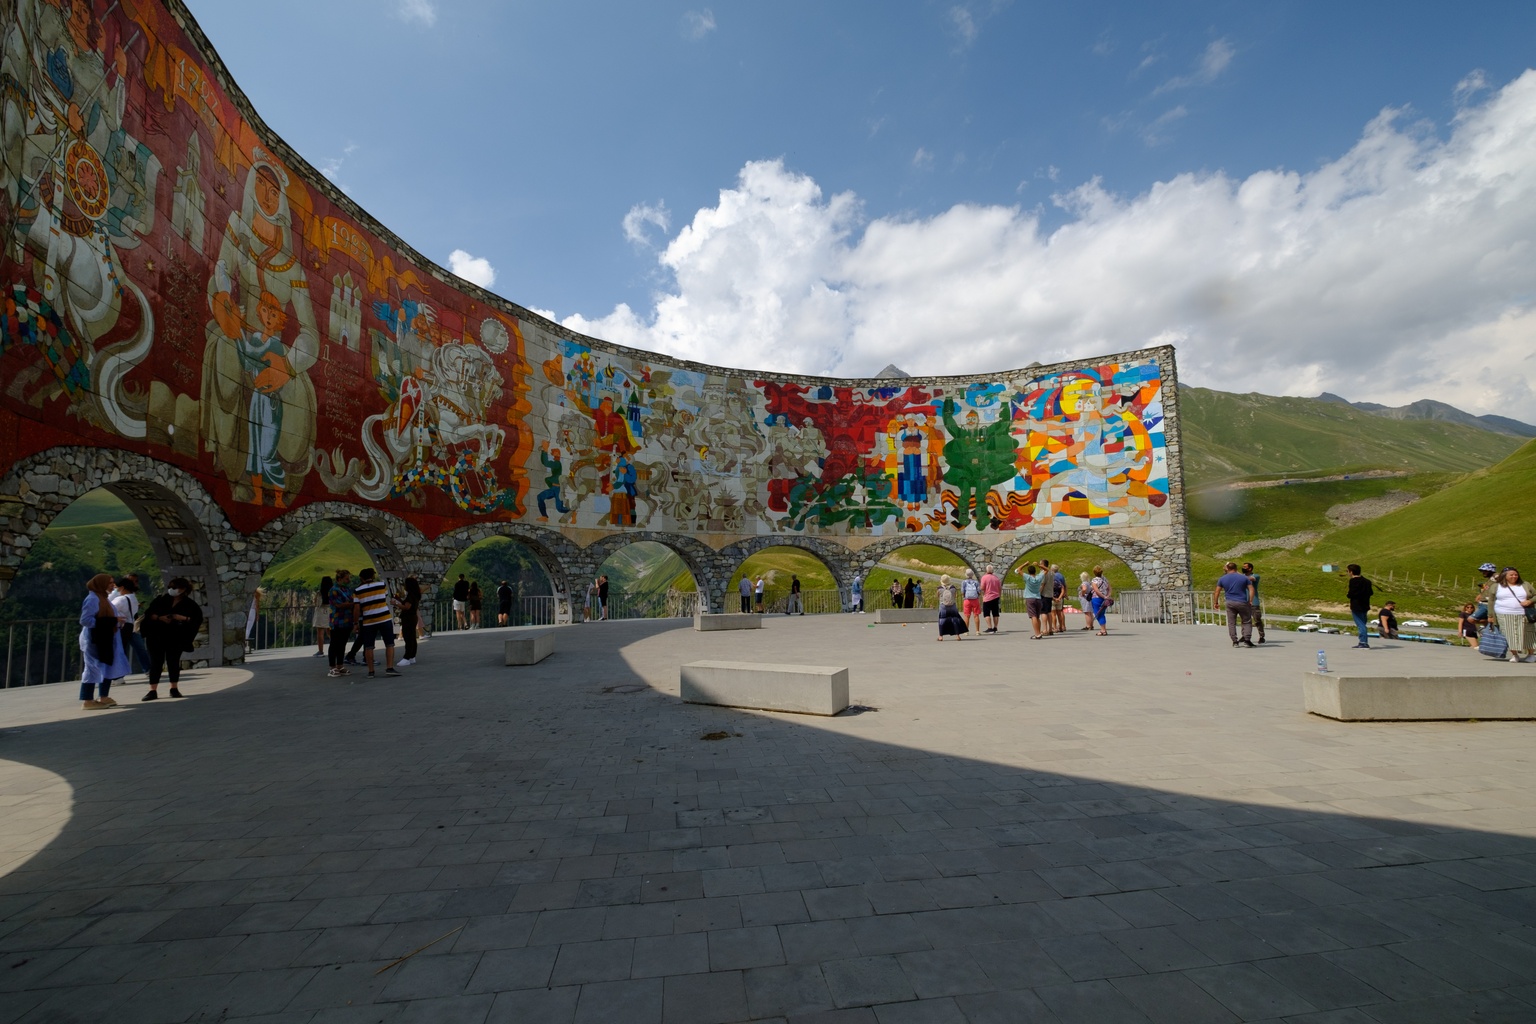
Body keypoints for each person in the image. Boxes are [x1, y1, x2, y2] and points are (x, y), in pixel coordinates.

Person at [140, 577, 203, 700]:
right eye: (170, 587)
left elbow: (196, 620)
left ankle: (174, 688)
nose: (171, 590)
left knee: (173, 662)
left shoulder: (190, 605)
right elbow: (149, 614)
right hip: (156, 635)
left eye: (174, 587)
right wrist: (160, 618)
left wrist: (182, 618)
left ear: (183, 589)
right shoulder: (161, 600)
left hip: (176, 636)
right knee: (156, 663)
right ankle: (152, 690)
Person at [78, 573, 129, 710]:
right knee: (92, 668)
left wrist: (117, 621)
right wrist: (113, 621)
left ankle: (103, 696)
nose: (113, 585)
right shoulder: (93, 599)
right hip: (94, 639)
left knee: (106, 665)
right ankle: (87, 700)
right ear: (101, 584)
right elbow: (85, 620)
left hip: (105, 637)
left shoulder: (103, 598)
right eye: (109, 583)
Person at [353, 569, 400, 678]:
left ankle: (371, 671)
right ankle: (389, 668)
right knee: (389, 644)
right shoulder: (381, 585)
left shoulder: (357, 590)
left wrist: (355, 623)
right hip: (384, 617)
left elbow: (356, 608)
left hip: (368, 621)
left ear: (361, 578)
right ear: (373, 576)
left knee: (369, 646)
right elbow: (385, 597)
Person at [1489, 567, 1535, 663]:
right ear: (1504, 576)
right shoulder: (1496, 586)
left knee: (1528, 634)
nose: (1514, 576)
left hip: (1523, 614)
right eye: (1511, 574)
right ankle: (1515, 655)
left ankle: (1531, 654)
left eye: (1516, 574)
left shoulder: (1525, 584)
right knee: (1509, 635)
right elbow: (1491, 601)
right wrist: (1490, 615)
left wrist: (1530, 601)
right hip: (1503, 614)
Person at [111, 576, 150, 674]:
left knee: (119, 651)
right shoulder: (133, 598)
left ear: (123, 588)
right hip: (130, 626)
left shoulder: (121, 599)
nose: (117, 590)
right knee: (139, 648)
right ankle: (149, 669)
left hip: (121, 627)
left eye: (118, 588)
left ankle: (118, 674)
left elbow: (108, 609)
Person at [1215, 561, 1256, 648]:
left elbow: (1217, 591)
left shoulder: (1222, 578)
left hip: (1230, 602)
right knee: (1246, 621)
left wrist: (1216, 602)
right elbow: (1251, 589)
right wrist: (1250, 600)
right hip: (1242, 601)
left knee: (1231, 622)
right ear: (1236, 568)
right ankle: (1247, 640)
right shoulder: (1244, 578)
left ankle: (1235, 641)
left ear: (1227, 568)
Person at [327, 569, 357, 676]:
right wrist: (352, 604)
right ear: (340, 579)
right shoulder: (333, 590)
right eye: (346, 578)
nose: (349, 580)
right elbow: (339, 605)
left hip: (347, 620)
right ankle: (332, 666)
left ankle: (340, 665)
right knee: (334, 643)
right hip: (337, 621)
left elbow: (350, 601)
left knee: (342, 644)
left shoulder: (346, 589)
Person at [1346, 564, 1375, 649]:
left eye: (1347, 571)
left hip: (1356, 605)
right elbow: (1371, 592)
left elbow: (1352, 593)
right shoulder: (1367, 581)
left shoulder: (1353, 581)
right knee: (1363, 623)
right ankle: (1362, 641)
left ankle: (1363, 642)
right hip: (1365, 605)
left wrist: (1348, 594)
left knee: (1361, 624)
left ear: (1351, 572)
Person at [1017, 562, 1048, 639]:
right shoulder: (1039, 577)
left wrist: (1025, 564)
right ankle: (1039, 632)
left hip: (1030, 598)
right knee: (1037, 617)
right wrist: (1039, 565)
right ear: (1035, 571)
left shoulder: (1028, 577)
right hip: (1038, 598)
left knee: (1033, 616)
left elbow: (1018, 570)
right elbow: (1047, 570)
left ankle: (1037, 634)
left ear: (1028, 572)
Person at [935, 573, 968, 640]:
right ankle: (957, 636)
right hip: (952, 606)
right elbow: (955, 596)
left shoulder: (939, 588)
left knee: (942, 620)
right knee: (955, 619)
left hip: (943, 606)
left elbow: (937, 596)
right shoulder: (953, 588)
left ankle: (941, 636)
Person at [398, 577, 421, 666]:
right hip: (413, 617)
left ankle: (407, 657)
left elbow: (407, 607)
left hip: (408, 618)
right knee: (412, 637)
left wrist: (397, 604)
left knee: (408, 637)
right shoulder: (415, 594)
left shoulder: (410, 596)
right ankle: (412, 656)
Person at [1241, 562, 1267, 644]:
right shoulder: (1241, 577)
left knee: (1257, 620)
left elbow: (1249, 579)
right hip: (1244, 601)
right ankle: (1244, 635)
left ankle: (1261, 636)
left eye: (1245, 567)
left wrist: (1235, 573)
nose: (1243, 568)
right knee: (1244, 620)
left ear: (1250, 568)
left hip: (1254, 602)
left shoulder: (1255, 576)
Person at [1472, 562, 1499, 627]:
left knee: (1471, 619)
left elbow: (1501, 579)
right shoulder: (1489, 580)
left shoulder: (1495, 576)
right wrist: (1480, 594)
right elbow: (1486, 589)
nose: (1483, 572)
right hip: (1483, 602)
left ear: (1490, 570)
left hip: (1488, 603)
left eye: (1485, 571)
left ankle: (1491, 623)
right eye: (1482, 571)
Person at [1089, 566, 1113, 636]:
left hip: (1096, 598)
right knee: (1102, 613)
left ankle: (1103, 630)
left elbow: (1096, 591)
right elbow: (1110, 588)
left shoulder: (1094, 580)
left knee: (1098, 614)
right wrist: (1107, 596)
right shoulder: (1105, 579)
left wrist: (1103, 596)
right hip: (1104, 599)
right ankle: (1103, 629)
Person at [312, 576, 332, 657]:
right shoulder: (332, 592)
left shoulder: (319, 593)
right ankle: (336, 648)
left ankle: (320, 651)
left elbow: (316, 603)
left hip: (321, 612)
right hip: (330, 611)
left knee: (320, 633)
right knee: (330, 631)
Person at [980, 564, 1002, 634]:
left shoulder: (984, 577)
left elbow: (982, 587)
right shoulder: (996, 578)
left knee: (987, 613)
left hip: (987, 597)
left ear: (986, 570)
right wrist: (999, 595)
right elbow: (999, 588)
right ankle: (995, 627)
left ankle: (989, 627)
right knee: (995, 613)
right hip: (996, 597)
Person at [960, 568, 982, 635]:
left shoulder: (964, 582)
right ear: (972, 575)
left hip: (967, 600)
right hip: (975, 600)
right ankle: (977, 631)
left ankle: (966, 631)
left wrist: (964, 596)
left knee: (967, 615)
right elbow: (979, 591)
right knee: (976, 615)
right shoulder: (976, 582)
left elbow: (962, 591)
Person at [1036, 559, 1055, 634]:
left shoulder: (1043, 573)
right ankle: (1050, 628)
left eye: (1041, 564)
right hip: (1050, 594)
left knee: (1043, 612)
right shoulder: (1051, 572)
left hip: (1044, 594)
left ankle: (1045, 629)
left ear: (1043, 565)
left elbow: (1042, 584)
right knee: (1049, 612)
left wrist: (1038, 593)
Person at [1051, 562, 1069, 635]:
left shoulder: (1051, 577)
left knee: (1053, 614)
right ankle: (1062, 626)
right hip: (1060, 596)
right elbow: (1064, 586)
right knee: (1060, 612)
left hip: (1053, 597)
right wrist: (1064, 594)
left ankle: (1054, 627)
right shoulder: (1061, 576)